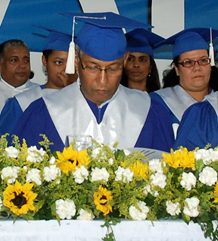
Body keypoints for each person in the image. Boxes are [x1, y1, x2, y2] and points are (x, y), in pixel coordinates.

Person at [11, 13, 176, 152]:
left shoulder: (149, 111)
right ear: (76, 61)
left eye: (113, 69)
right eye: (93, 68)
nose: (102, 81)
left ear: (125, 61)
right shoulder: (44, 112)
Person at [0, 29, 71, 135]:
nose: (66, 69)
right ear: (45, 61)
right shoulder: (22, 102)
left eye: (72, 63)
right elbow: (6, 145)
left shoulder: (86, 101)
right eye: (59, 62)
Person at [153, 28, 218, 130]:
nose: (197, 68)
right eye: (188, 62)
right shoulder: (158, 104)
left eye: (203, 60)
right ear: (177, 69)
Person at [121, 28, 164, 93]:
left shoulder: (160, 100)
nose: (136, 64)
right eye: (130, 59)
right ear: (123, 64)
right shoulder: (114, 98)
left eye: (143, 60)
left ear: (150, 68)